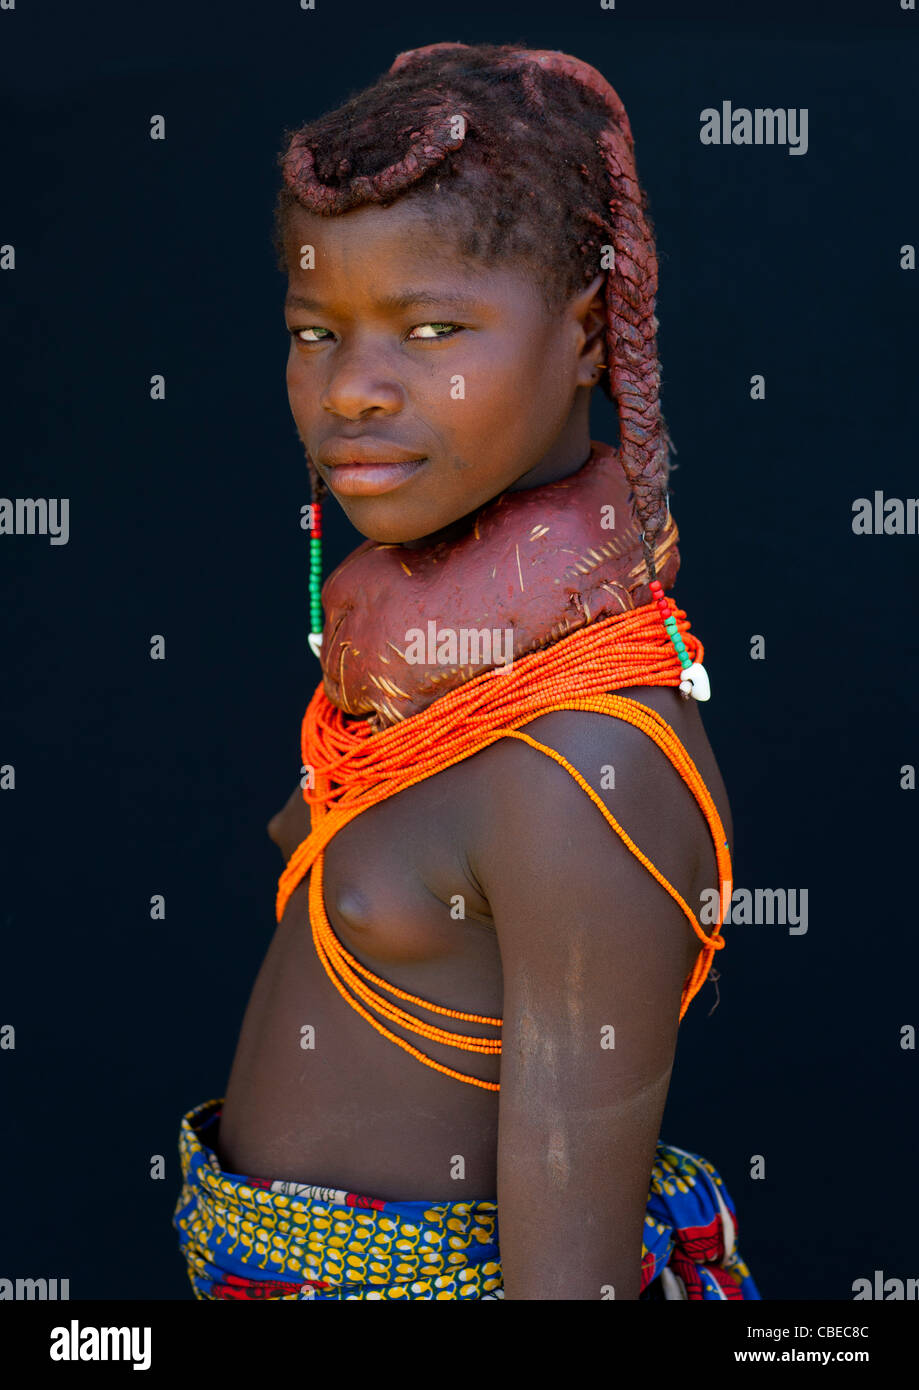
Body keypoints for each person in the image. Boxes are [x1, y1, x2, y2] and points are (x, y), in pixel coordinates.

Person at [172, 40, 761, 1301]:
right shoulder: (414, 693)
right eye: (313, 332)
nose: (352, 392)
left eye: (432, 330)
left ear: (590, 334)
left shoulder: (582, 765)